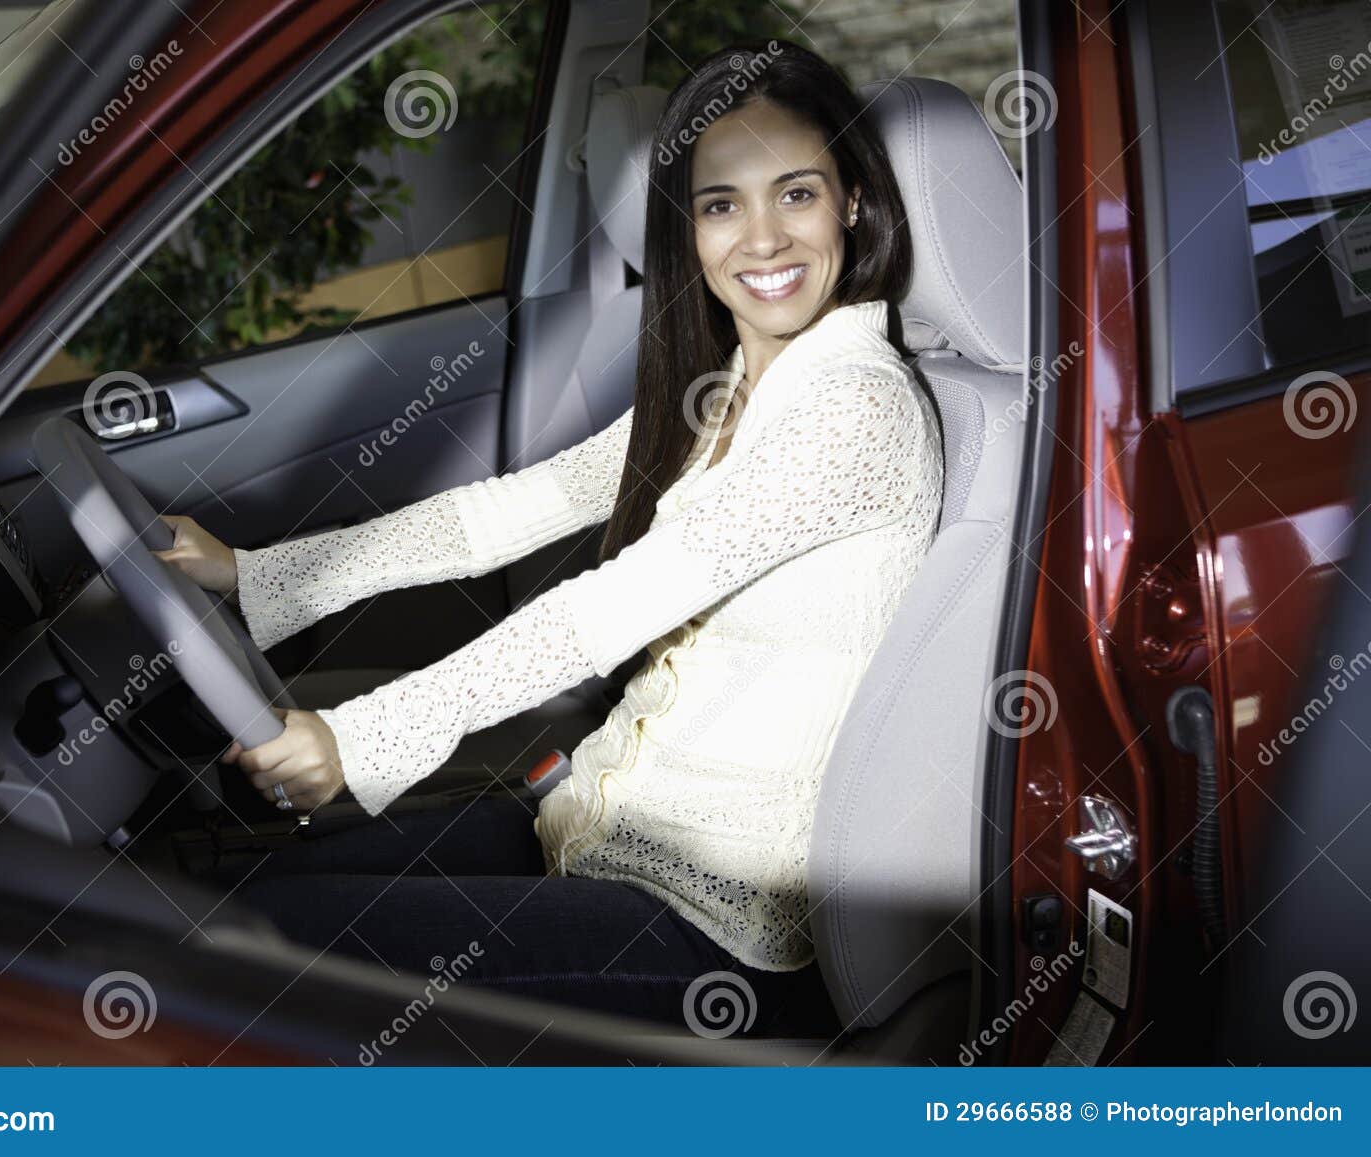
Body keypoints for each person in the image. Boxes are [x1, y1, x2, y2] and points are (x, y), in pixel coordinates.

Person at [154, 39, 943, 1038]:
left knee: (255, 942)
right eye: (719, 205)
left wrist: (354, 739)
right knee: (230, 903)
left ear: (854, 203)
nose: (761, 240)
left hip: (717, 936)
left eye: (796, 194)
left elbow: (599, 614)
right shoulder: (730, 391)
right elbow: (505, 511)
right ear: (685, 234)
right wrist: (259, 574)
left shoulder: (853, 409)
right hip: (590, 831)